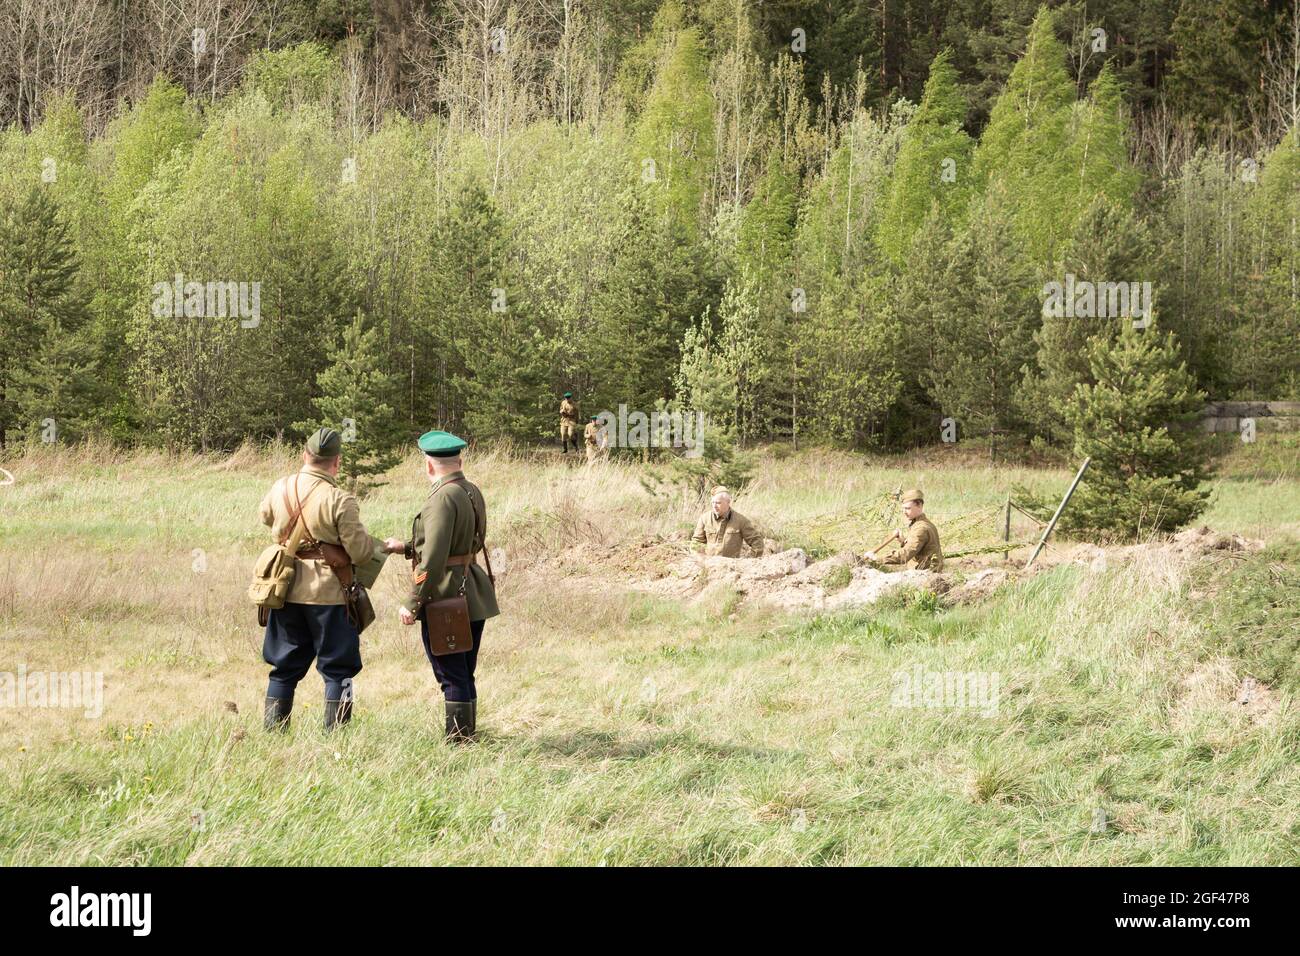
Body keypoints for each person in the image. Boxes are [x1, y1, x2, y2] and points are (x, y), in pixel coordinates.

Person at [258, 428, 405, 731]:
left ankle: (273, 733)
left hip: (283, 590)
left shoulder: (280, 487)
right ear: (336, 463)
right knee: (341, 671)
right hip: (330, 595)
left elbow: (266, 517)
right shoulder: (340, 500)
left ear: (304, 456)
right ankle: (337, 736)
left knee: (283, 668)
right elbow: (362, 553)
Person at [398, 430, 500, 742]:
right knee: (464, 670)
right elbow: (459, 541)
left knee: (451, 673)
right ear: (459, 460)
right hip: (473, 592)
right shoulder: (471, 490)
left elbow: (434, 558)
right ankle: (467, 736)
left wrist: (412, 602)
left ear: (429, 466)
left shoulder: (441, 498)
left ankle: (459, 741)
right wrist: (404, 547)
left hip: (446, 597)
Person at [868, 488, 944, 571]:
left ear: (919, 505)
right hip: (925, 572)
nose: (904, 512)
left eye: (908, 508)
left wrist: (876, 559)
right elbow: (918, 550)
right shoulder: (922, 523)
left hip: (925, 574)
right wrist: (903, 541)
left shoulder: (921, 528)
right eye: (903, 508)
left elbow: (904, 556)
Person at [691, 486, 763, 558]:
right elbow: (696, 542)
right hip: (709, 566)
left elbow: (757, 542)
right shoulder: (704, 518)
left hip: (731, 567)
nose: (714, 506)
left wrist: (748, 561)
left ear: (728, 502)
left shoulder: (741, 520)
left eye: (718, 503)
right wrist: (701, 559)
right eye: (713, 502)